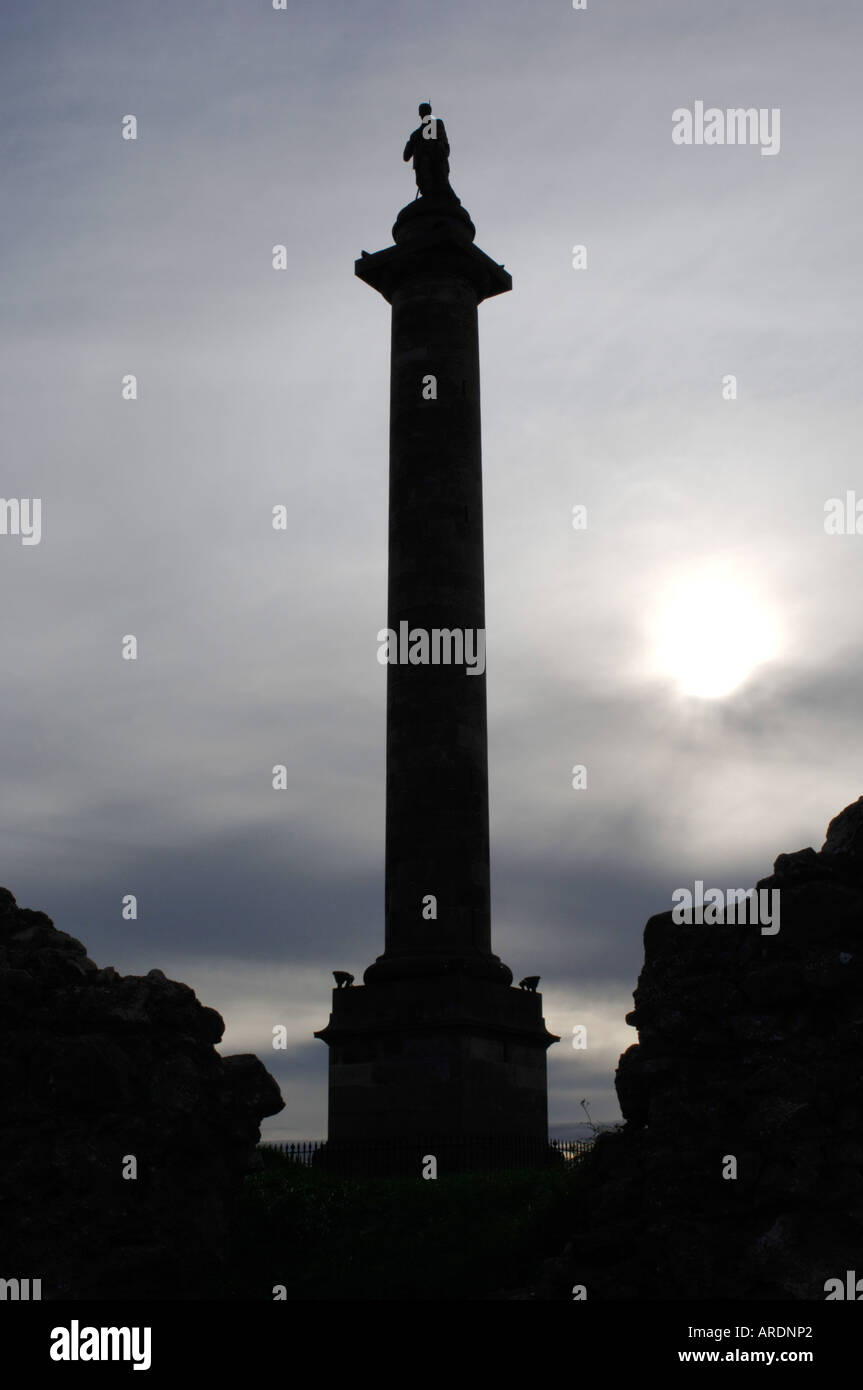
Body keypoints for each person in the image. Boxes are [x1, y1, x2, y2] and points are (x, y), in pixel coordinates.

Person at [403, 102, 455, 199]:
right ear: (419, 114)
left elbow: (442, 142)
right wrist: (411, 143)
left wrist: (439, 151)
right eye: (422, 111)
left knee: (442, 185)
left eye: (425, 111)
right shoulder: (415, 134)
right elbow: (406, 156)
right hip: (421, 166)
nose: (423, 113)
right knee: (425, 187)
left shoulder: (437, 124)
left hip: (435, 163)